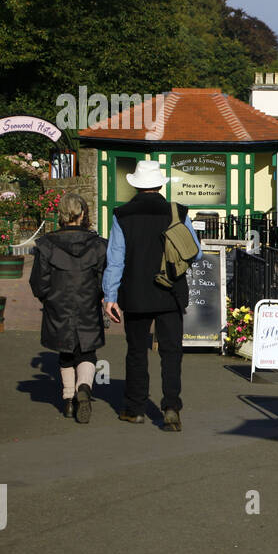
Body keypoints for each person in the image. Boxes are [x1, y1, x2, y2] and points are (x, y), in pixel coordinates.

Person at [102, 160, 202, 431]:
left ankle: (134, 409)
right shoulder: (177, 212)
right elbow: (196, 251)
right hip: (171, 290)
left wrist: (110, 296)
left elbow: (115, 260)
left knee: (136, 351)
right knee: (171, 352)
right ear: (160, 184)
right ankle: (171, 407)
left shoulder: (121, 215)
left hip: (134, 292)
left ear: (136, 185)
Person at [30, 194, 108, 423]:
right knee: (87, 352)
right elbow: (104, 279)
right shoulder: (98, 245)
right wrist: (99, 296)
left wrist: (49, 298)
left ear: (61, 214)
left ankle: (68, 399)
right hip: (88, 303)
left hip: (58, 304)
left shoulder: (46, 245)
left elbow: (38, 283)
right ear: (83, 214)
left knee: (65, 353)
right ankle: (84, 386)